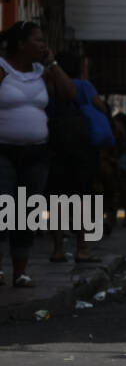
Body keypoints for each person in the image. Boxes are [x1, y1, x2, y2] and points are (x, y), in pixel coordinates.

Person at [0, 21, 77, 287]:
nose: (43, 45)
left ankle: (20, 272)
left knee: (26, 213)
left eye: (44, 41)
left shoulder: (42, 73)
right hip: (4, 152)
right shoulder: (2, 69)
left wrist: (53, 65)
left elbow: (70, 93)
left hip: (37, 153)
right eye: (38, 40)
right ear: (21, 44)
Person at [47, 50, 114, 262]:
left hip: (56, 143)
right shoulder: (84, 86)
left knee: (58, 198)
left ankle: (58, 249)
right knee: (83, 198)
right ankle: (82, 248)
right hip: (83, 148)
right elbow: (101, 108)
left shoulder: (51, 85)